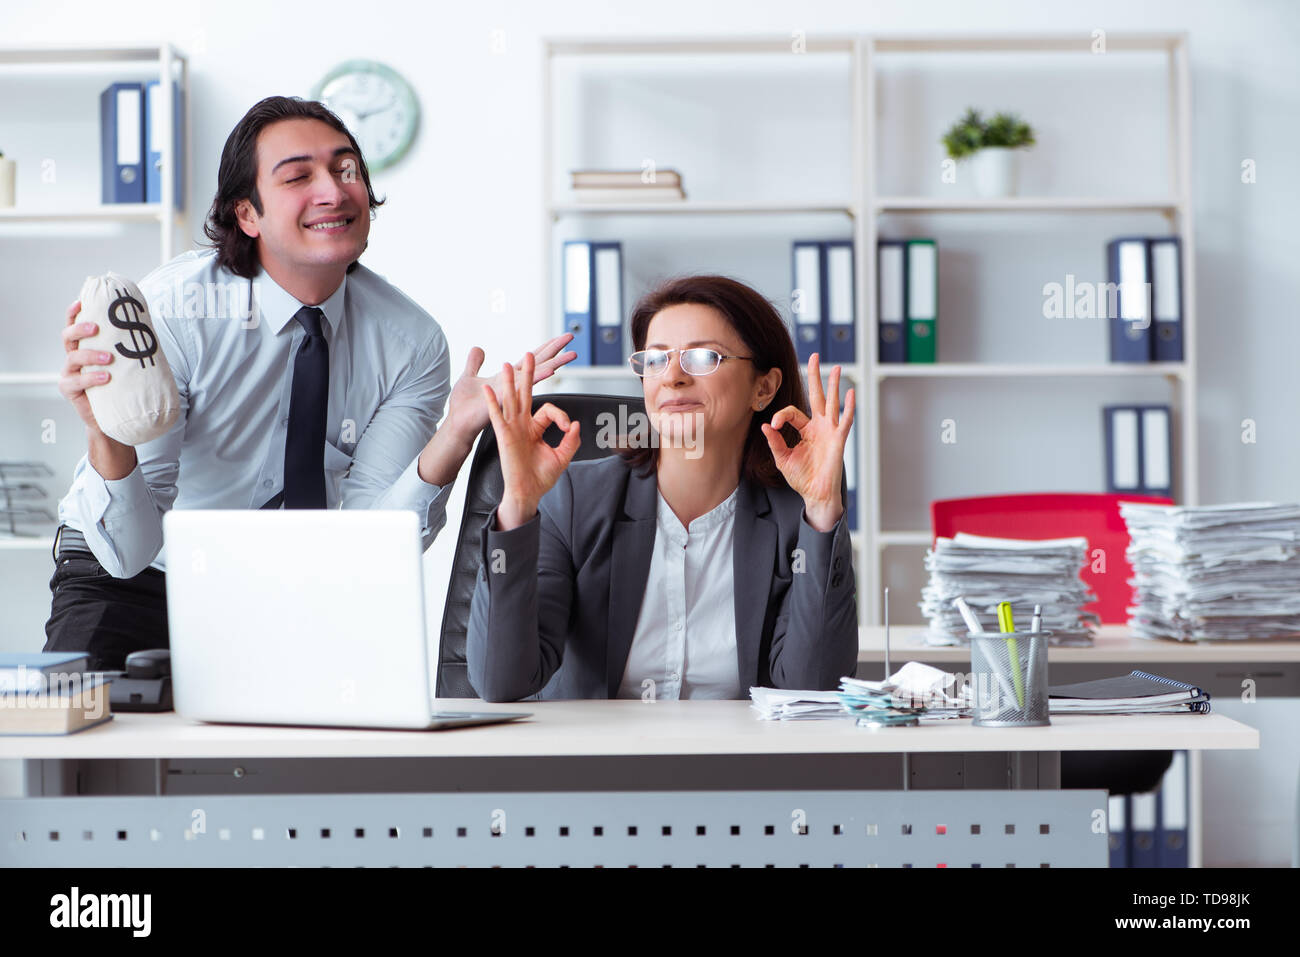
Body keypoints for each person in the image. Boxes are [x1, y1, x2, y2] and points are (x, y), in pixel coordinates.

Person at [46, 96, 574, 670]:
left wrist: (454, 434)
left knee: (298, 756)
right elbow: (128, 551)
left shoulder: (410, 341)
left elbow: (375, 544)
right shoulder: (177, 312)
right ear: (247, 214)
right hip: (131, 577)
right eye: (299, 176)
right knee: (88, 749)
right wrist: (108, 433)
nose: (334, 190)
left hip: (283, 594)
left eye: (346, 170)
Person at [467, 274, 858, 702]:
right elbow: (501, 682)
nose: (672, 377)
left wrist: (821, 512)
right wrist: (518, 506)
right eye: (655, 360)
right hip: (596, 763)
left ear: (763, 388)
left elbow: (813, 687)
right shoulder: (577, 498)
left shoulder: (792, 515)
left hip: (742, 764)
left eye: (703, 357)